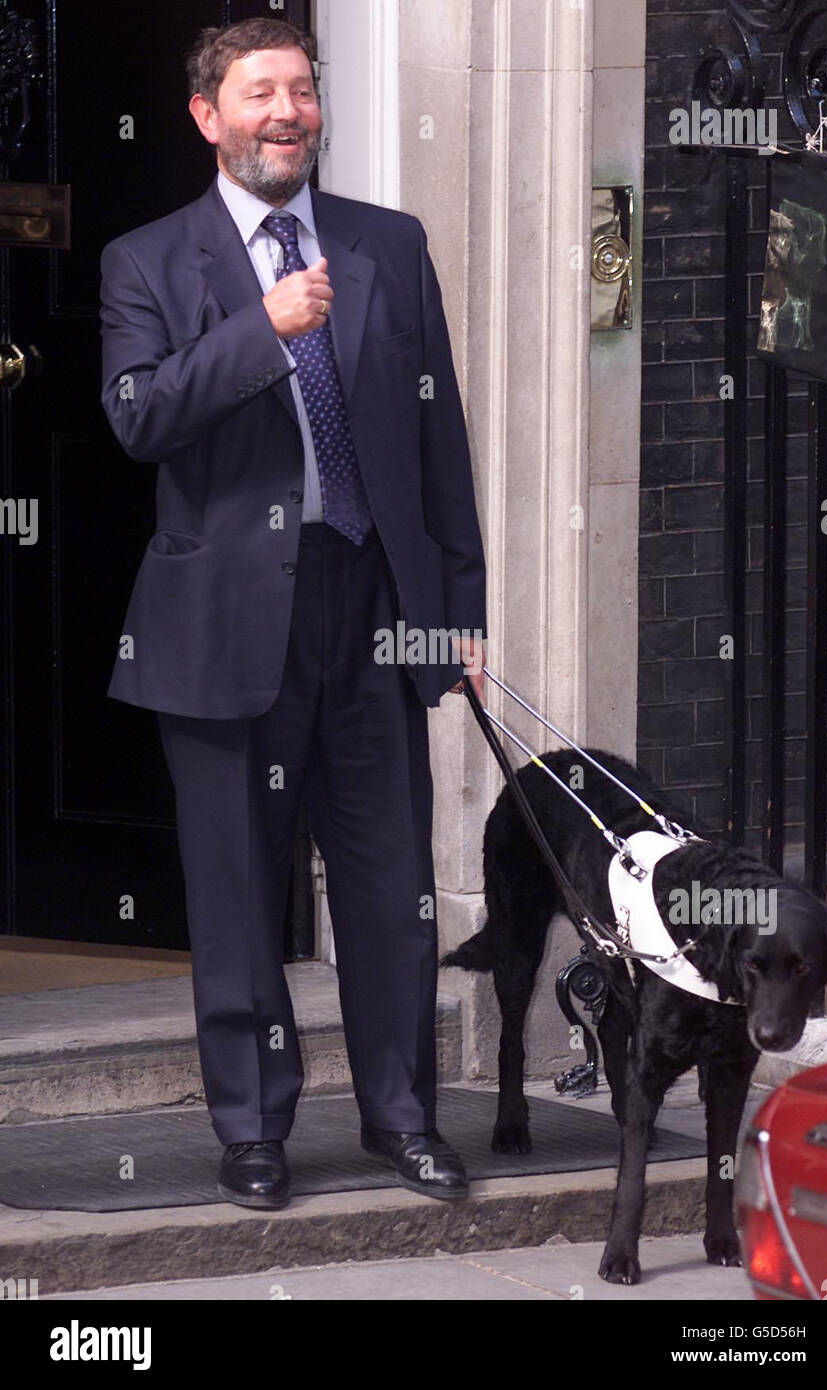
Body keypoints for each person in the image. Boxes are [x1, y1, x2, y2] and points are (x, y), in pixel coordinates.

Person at [99, 17, 487, 1209]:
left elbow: (436, 440)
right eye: (259, 92)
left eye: (304, 91)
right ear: (207, 116)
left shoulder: (386, 243)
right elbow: (138, 418)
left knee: (386, 883)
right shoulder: (149, 261)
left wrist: (457, 607)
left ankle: (401, 1119)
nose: (288, 113)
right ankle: (255, 1130)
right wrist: (259, 335)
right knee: (237, 885)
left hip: (369, 604)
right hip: (222, 625)